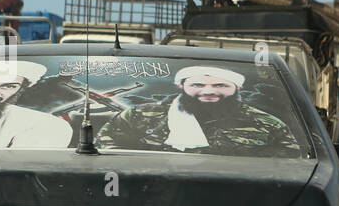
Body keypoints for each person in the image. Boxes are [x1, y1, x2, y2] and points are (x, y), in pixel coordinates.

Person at [95, 64, 300, 156]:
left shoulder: (268, 124)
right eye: (197, 85)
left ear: (238, 88)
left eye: (220, 86)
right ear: (182, 86)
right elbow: (104, 144)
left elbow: (291, 163)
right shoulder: (141, 115)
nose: (208, 91)